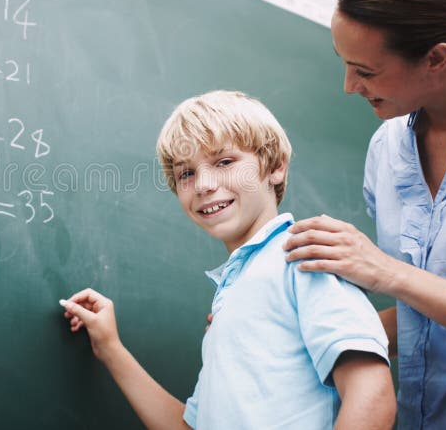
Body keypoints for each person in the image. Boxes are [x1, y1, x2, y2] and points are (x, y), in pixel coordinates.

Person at [283, 0, 446, 429]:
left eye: (366, 71)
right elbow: (427, 323)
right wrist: (294, 333)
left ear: (436, 58)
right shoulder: (388, 147)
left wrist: (389, 273)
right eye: (345, 63)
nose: (349, 86)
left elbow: (406, 284)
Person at [60, 90, 395, 429]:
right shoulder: (232, 295)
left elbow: (372, 396)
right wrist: (111, 349)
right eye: (186, 173)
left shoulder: (304, 257)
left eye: (224, 162)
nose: (204, 184)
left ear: (275, 167)